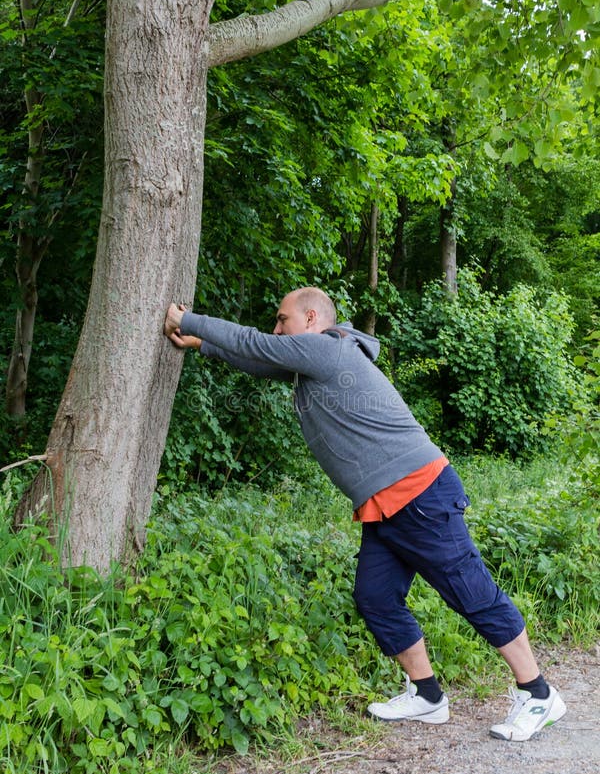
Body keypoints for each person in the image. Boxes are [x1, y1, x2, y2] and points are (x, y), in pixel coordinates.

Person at [164, 287, 566, 742]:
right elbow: (264, 359)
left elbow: (259, 345)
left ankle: (538, 694)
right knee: (375, 597)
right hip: (384, 504)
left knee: (470, 592)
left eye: (282, 320)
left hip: (421, 492)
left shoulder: (328, 349)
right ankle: (428, 696)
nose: (276, 329)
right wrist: (205, 344)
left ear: (311, 318)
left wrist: (188, 319)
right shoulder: (315, 359)